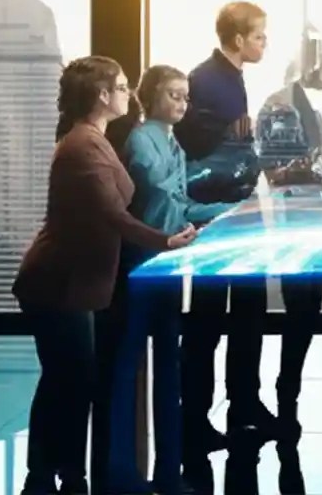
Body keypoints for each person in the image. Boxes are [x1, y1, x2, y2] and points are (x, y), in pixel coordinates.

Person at [12, 56, 195, 495]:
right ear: (101, 95)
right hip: (59, 282)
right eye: (121, 86)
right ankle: (45, 476)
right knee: (66, 379)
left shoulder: (97, 140)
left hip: (76, 282)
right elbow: (114, 215)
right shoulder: (83, 145)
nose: (128, 94)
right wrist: (163, 241)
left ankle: (64, 473)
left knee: (72, 379)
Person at [104, 65, 237, 495]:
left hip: (167, 258)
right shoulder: (143, 140)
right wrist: (199, 211)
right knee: (129, 365)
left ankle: (167, 472)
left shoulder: (169, 139)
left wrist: (225, 211)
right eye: (174, 96)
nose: (182, 104)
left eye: (185, 97)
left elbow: (180, 203)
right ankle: (122, 472)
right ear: (151, 96)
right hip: (146, 259)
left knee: (166, 365)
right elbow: (163, 196)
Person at [174, 2, 277, 465]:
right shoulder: (207, 80)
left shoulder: (228, 77)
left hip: (238, 212)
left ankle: (244, 404)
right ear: (238, 39)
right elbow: (194, 146)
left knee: (248, 314)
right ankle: (195, 417)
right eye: (259, 36)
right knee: (209, 322)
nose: (263, 44)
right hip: (219, 217)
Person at [254, 21, 322, 443]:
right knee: (299, 311)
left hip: (313, 217)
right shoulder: (279, 106)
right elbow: (276, 170)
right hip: (293, 219)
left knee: (306, 311)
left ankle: (289, 392)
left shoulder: (310, 109)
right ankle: (287, 394)